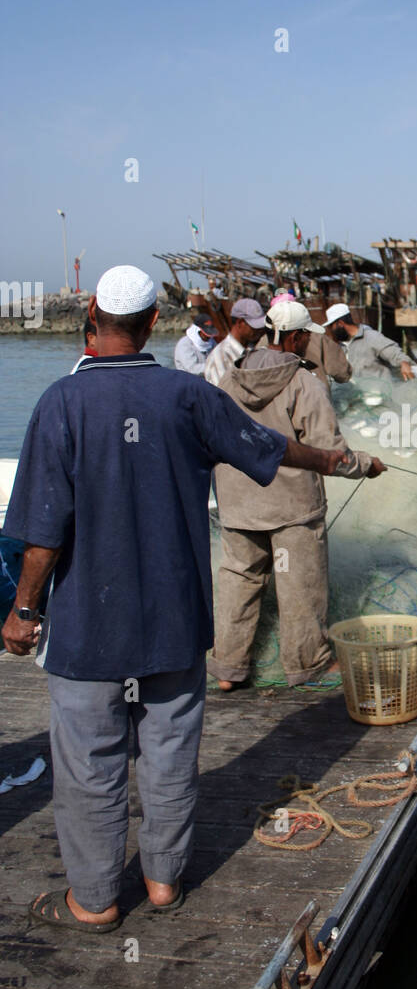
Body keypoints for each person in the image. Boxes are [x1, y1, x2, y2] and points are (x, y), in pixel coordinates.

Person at [1, 266, 346, 934]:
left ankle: (94, 900)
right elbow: (270, 448)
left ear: (93, 313)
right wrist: (336, 460)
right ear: (154, 320)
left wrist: (23, 611)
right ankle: (163, 882)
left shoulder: (61, 402)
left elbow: (43, 532)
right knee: (169, 754)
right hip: (175, 620)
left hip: (87, 629)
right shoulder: (188, 396)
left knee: (90, 765)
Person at [209, 299, 386, 691]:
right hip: (291, 507)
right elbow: (331, 454)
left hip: (237, 504)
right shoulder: (304, 383)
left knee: (239, 581)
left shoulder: (229, 378)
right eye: (306, 336)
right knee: (299, 585)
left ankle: (227, 668)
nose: (309, 342)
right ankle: (308, 665)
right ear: (295, 337)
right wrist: (367, 465)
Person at [325, 303, 413, 381]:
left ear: (340, 323)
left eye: (331, 326)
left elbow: (394, 353)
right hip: (354, 392)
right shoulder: (341, 347)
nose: (331, 330)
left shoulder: (371, 337)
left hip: (381, 391)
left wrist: (404, 363)